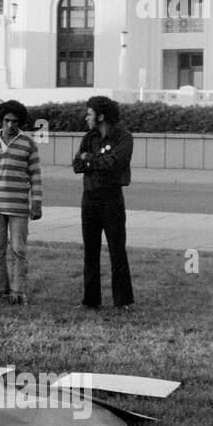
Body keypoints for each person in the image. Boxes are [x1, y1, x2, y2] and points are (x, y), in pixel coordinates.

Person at [0, 100, 43, 305]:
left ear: (20, 122)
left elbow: (35, 176)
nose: (10, 125)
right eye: (6, 120)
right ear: (1, 120)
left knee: (19, 250)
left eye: (14, 121)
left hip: (19, 207)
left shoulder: (28, 143)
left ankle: (18, 293)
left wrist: (37, 203)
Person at [72, 96, 135, 310]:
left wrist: (89, 160)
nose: (86, 118)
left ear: (100, 116)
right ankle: (90, 300)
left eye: (89, 114)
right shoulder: (89, 137)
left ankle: (123, 300)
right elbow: (76, 165)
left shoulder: (123, 137)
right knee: (90, 251)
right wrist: (91, 161)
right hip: (89, 198)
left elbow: (116, 163)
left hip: (111, 199)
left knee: (117, 250)